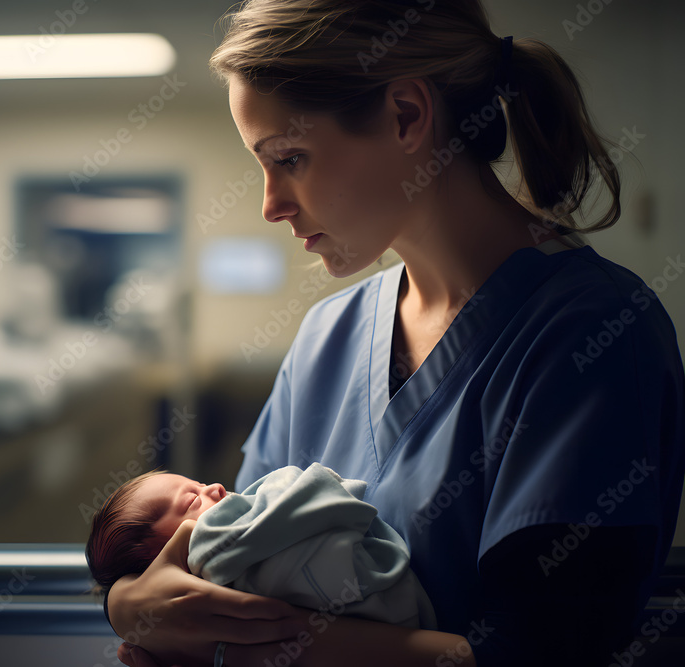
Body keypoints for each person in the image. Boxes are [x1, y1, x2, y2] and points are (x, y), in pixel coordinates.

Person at [105, 1, 685, 666]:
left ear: (407, 115)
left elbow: (539, 653)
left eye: (290, 156)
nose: (271, 204)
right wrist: (127, 599)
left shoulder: (593, 334)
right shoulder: (329, 334)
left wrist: (227, 641)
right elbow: (222, 557)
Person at [87, 464, 437, 630]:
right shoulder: (211, 547)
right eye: (192, 498)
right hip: (396, 610)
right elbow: (320, 491)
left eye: (201, 482)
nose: (217, 487)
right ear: (162, 558)